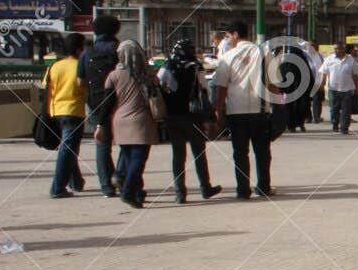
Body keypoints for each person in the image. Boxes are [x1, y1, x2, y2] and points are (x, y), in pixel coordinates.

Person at [212, 19, 273, 199]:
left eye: (228, 35)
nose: (227, 39)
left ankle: (243, 189)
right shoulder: (264, 53)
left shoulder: (227, 57)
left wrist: (218, 110)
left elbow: (221, 87)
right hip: (260, 110)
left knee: (240, 153)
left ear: (236, 34)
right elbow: (274, 83)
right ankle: (263, 186)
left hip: (236, 111)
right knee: (262, 152)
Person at [156, 36, 222, 203]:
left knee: (178, 156)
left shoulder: (168, 66)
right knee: (199, 153)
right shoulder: (195, 67)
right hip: (192, 115)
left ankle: (180, 193)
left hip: (172, 115)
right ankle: (205, 188)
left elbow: (158, 84)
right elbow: (204, 89)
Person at [108, 39, 160, 208]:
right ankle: (129, 191)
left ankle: (136, 191)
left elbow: (107, 102)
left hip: (120, 121)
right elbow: (157, 93)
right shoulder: (148, 74)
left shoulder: (114, 75)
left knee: (128, 157)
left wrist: (101, 125)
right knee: (139, 159)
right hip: (141, 121)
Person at [79, 14, 122, 197]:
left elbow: (80, 80)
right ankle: (121, 177)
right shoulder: (119, 50)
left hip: (96, 102)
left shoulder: (87, 53)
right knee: (127, 144)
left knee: (102, 145)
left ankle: (106, 186)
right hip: (119, 103)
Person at [44, 34, 87, 199]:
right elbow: (82, 87)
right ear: (78, 49)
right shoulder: (79, 66)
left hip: (56, 111)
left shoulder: (54, 66)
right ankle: (57, 187)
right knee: (68, 149)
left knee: (69, 148)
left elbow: (47, 88)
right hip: (73, 110)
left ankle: (76, 182)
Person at [325, 46, 358, 134]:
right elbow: (323, 72)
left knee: (346, 110)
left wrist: (356, 88)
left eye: (339, 48)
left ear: (343, 49)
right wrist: (321, 85)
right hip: (333, 89)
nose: (337, 50)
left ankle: (344, 128)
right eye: (335, 49)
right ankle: (335, 124)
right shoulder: (329, 59)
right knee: (334, 109)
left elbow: (356, 75)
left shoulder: (351, 60)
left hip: (347, 89)